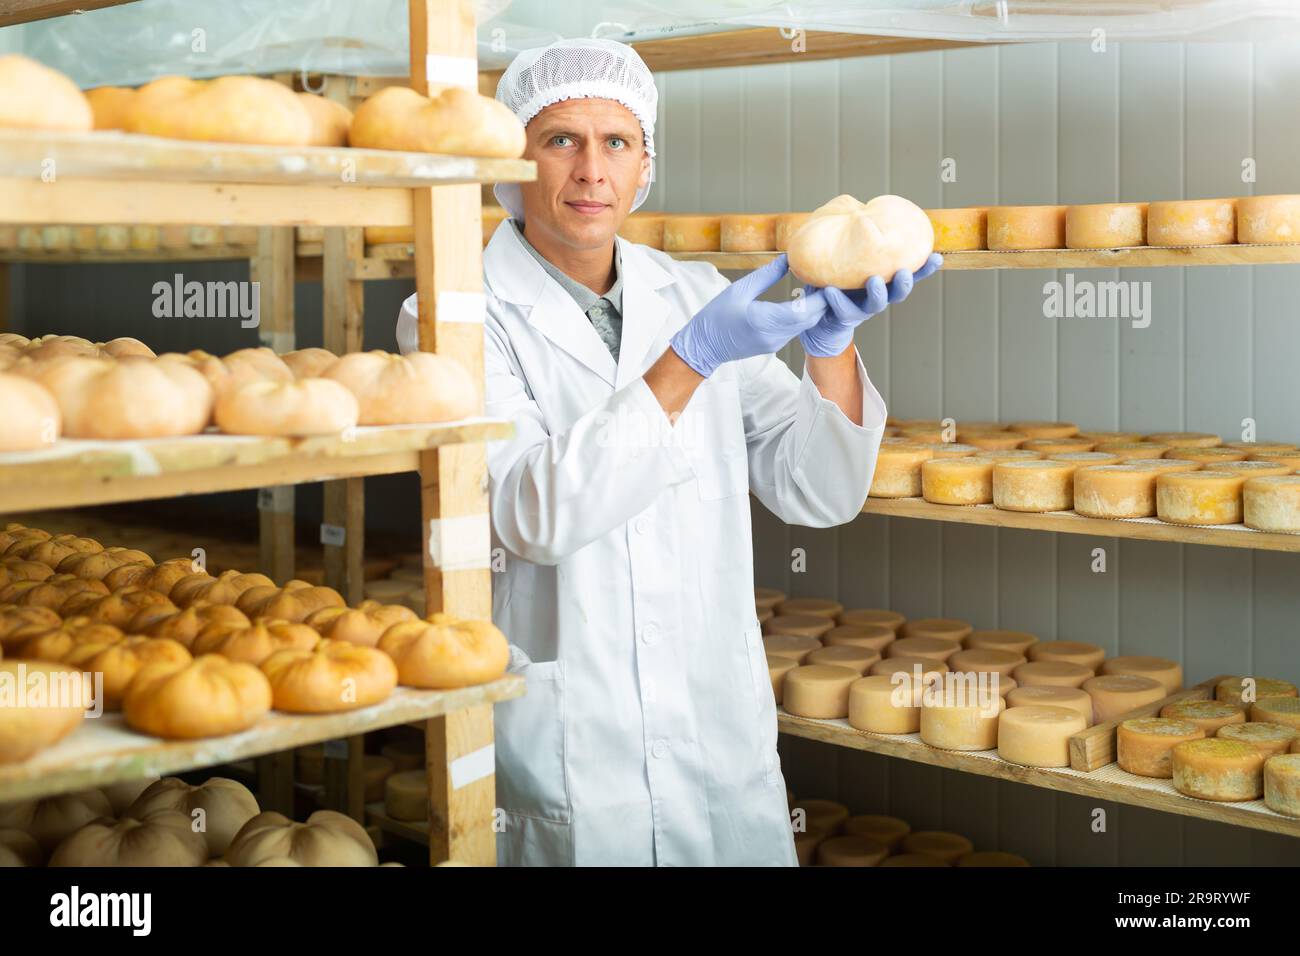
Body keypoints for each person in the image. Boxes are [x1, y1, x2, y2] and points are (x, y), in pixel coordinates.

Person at [397, 38, 941, 866]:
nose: (591, 171)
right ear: (512, 160)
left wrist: (830, 345)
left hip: (713, 738)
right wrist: (689, 359)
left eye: (616, 142)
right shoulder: (454, 317)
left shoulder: (691, 295)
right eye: (560, 140)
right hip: (573, 749)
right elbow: (528, 511)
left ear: (646, 164)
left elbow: (818, 492)